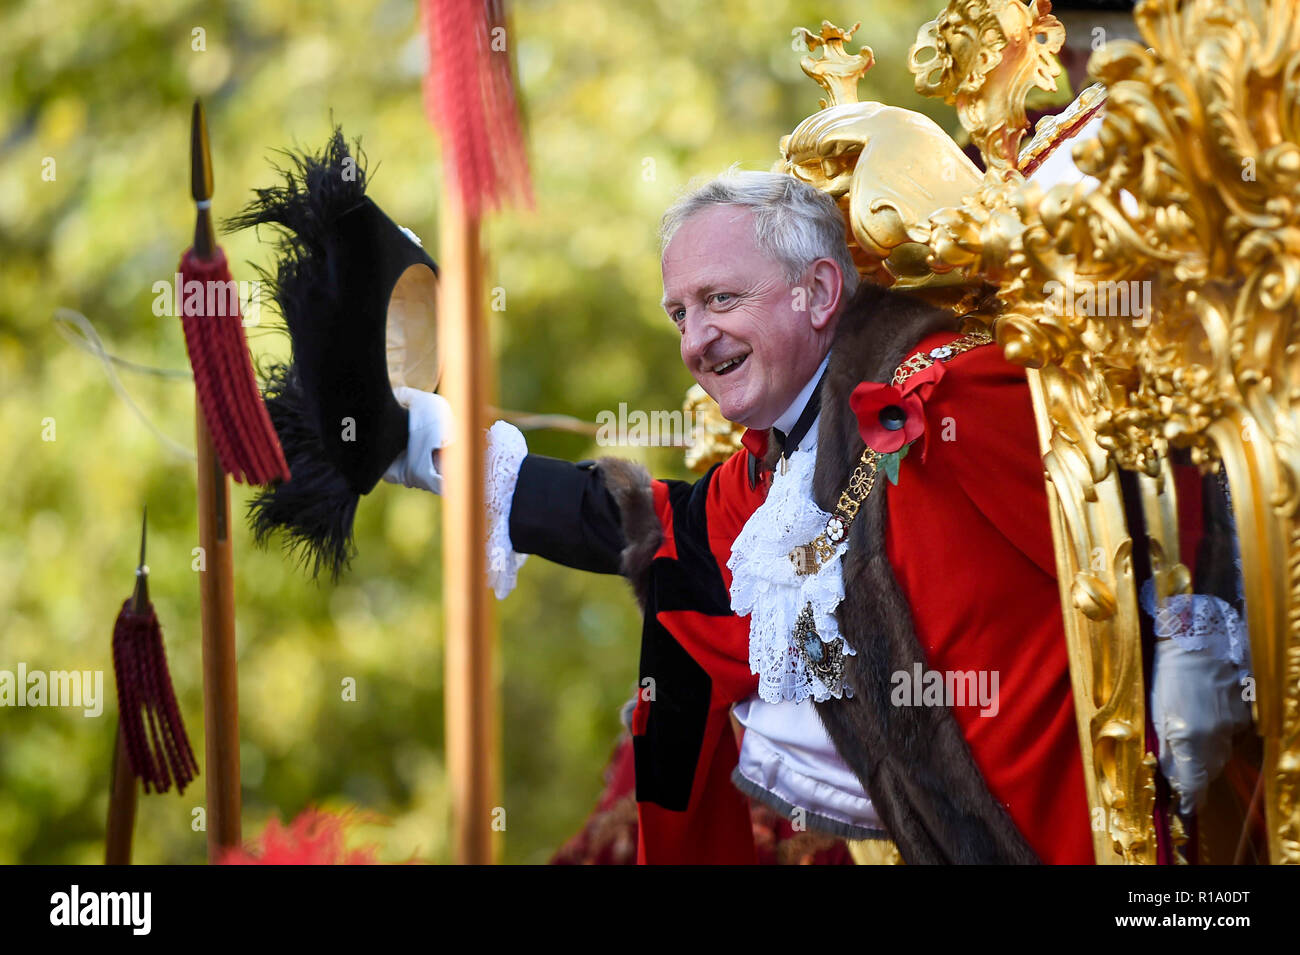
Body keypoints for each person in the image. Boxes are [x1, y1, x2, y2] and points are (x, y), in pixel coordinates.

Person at [382, 170, 1235, 864]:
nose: (694, 339)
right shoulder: (768, 472)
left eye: (720, 298)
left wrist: (1202, 627)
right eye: (680, 312)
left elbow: (1147, 481)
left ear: (819, 290)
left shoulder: (944, 393)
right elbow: (650, 534)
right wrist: (428, 445)